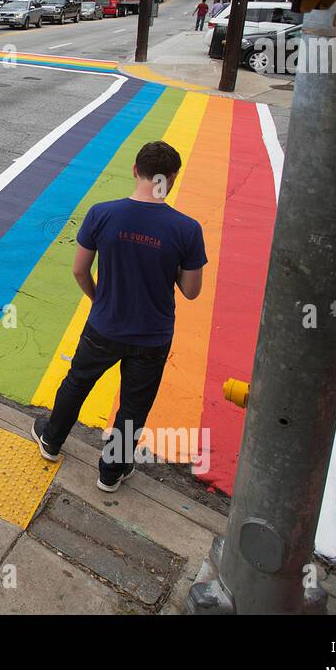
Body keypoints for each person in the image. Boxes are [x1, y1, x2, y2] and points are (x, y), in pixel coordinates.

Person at [31, 141, 207, 493]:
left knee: (77, 382)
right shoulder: (187, 229)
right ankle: (111, 471)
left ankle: (51, 440)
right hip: (152, 336)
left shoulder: (102, 214)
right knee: (133, 404)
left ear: (134, 171)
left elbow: (80, 270)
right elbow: (191, 291)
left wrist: (101, 300)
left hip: (104, 325)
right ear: (171, 178)